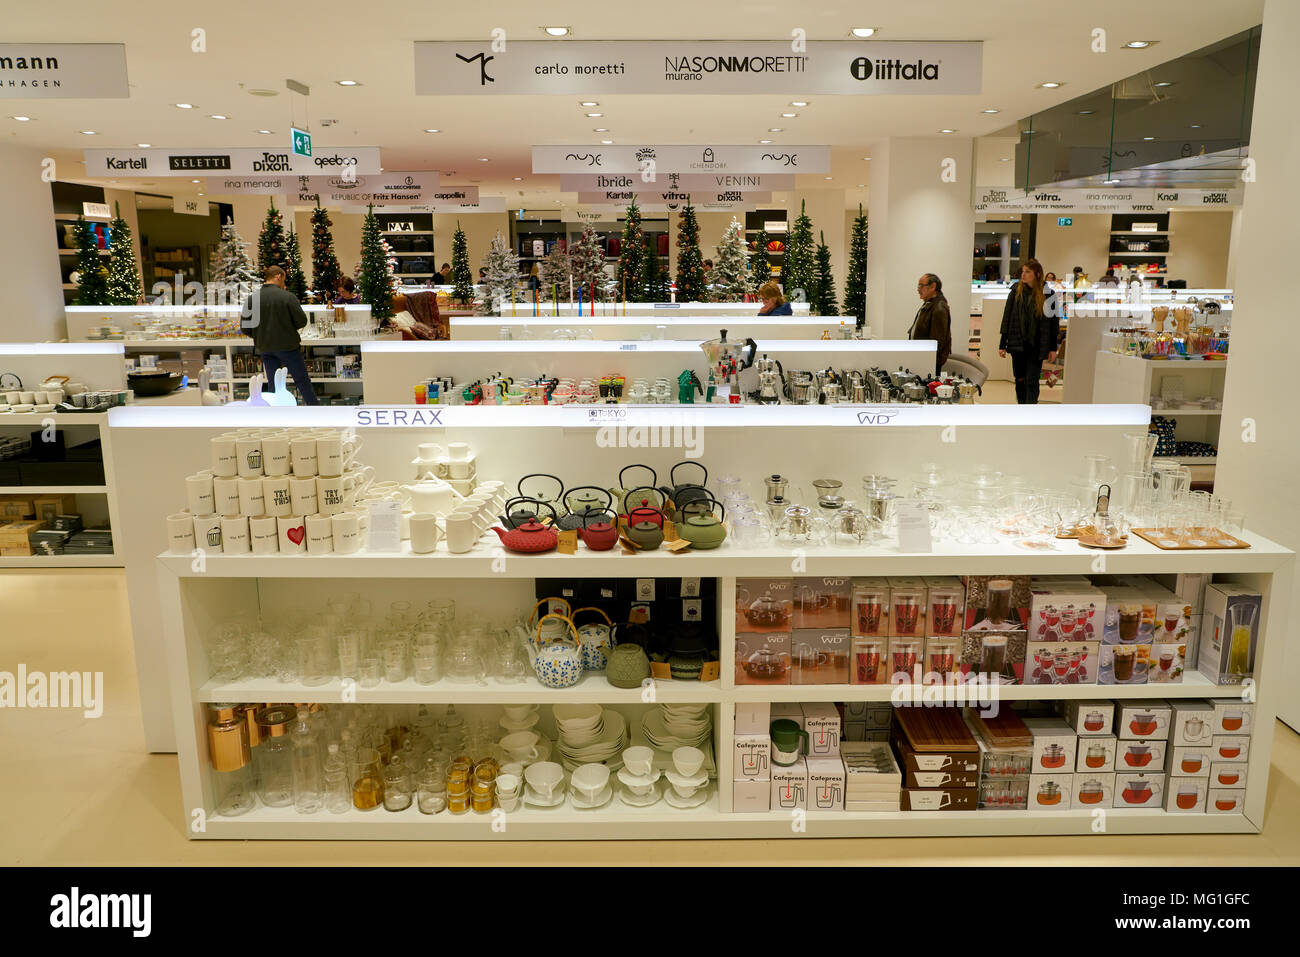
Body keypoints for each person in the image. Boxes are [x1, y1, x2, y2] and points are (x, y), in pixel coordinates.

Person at [242, 265, 319, 405]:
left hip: (264, 347)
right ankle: (317, 412)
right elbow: (301, 321)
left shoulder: (252, 299)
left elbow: (245, 327)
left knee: (273, 383)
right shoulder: (287, 297)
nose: (284, 283)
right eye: (284, 279)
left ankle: (275, 415)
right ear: (278, 276)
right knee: (302, 382)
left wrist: (260, 335)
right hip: (288, 346)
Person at [998, 258, 1059, 405]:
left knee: (1032, 379)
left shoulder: (1049, 294)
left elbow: (1053, 322)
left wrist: (1052, 347)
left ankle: (1030, 409)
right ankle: (1021, 406)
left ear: (1037, 274)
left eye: (1027, 272)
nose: (1023, 275)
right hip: (1017, 342)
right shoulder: (1015, 292)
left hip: (1036, 344)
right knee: (1020, 378)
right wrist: (1002, 344)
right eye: (1023, 272)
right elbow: (1007, 318)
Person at [909, 273, 952, 375]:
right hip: (922, 358)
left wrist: (928, 361)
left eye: (921, 286)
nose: (918, 289)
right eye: (918, 286)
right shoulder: (929, 303)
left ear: (933, 287)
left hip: (928, 362)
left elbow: (937, 342)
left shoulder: (939, 308)